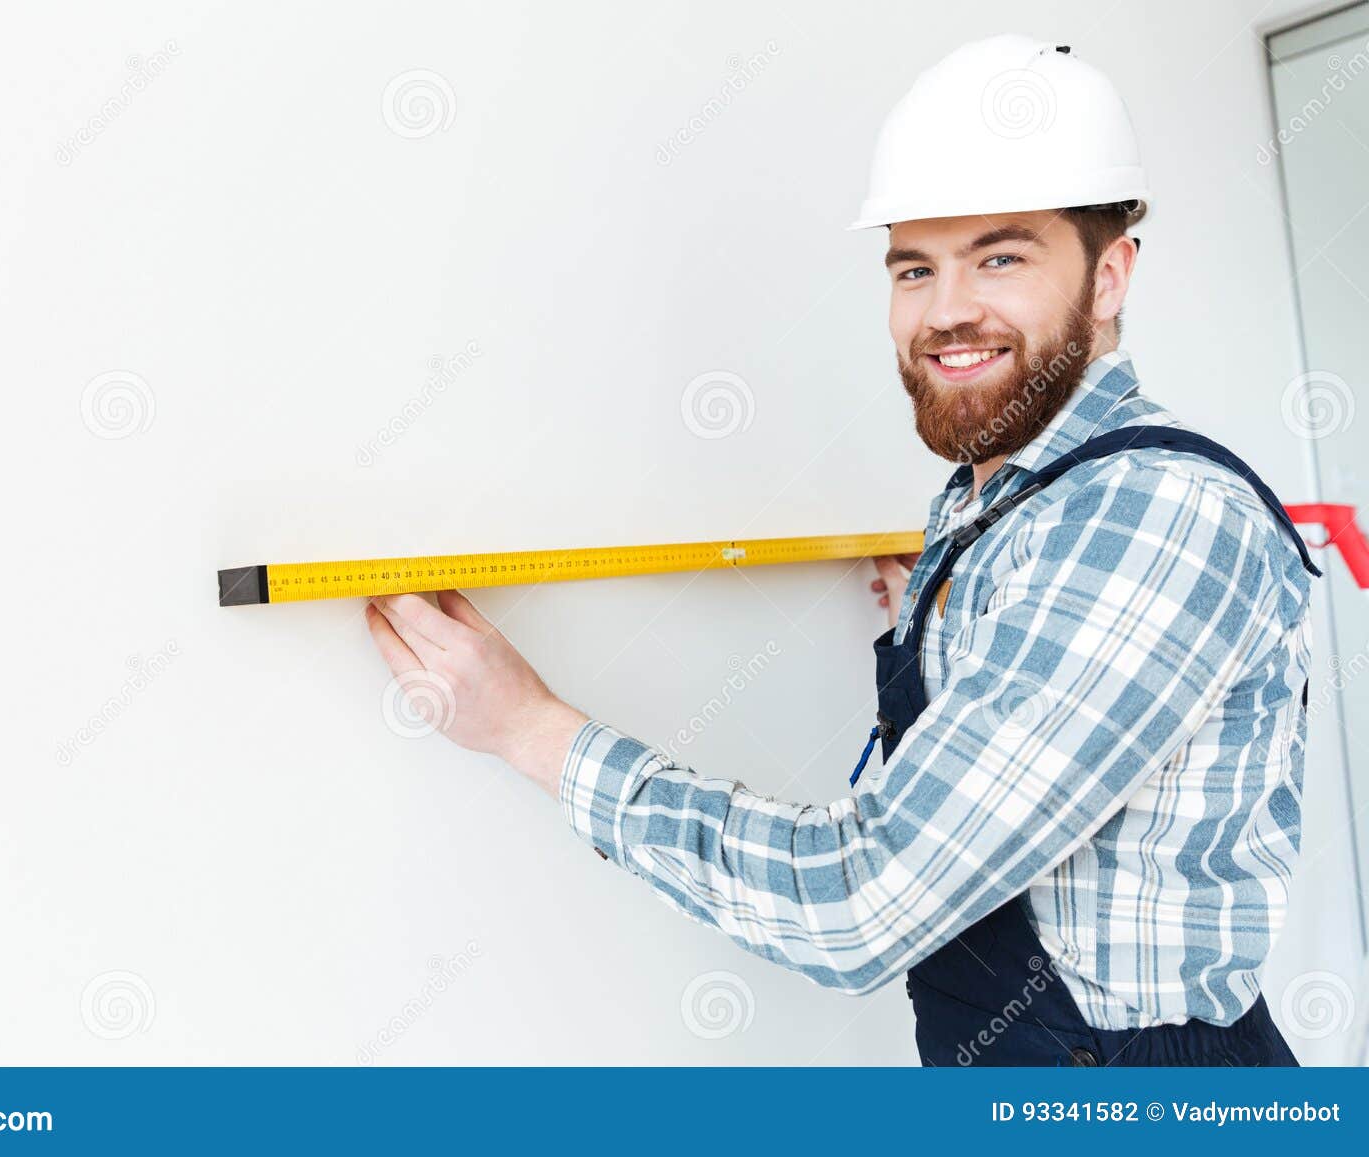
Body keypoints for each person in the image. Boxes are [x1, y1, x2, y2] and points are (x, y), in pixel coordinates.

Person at [363, 34, 1317, 1066]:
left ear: (1109, 276)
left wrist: (529, 728)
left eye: (1000, 257)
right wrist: (954, 618)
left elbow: (859, 907)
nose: (946, 310)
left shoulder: (1155, 516)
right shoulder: (1009, 503)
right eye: (915, 268)